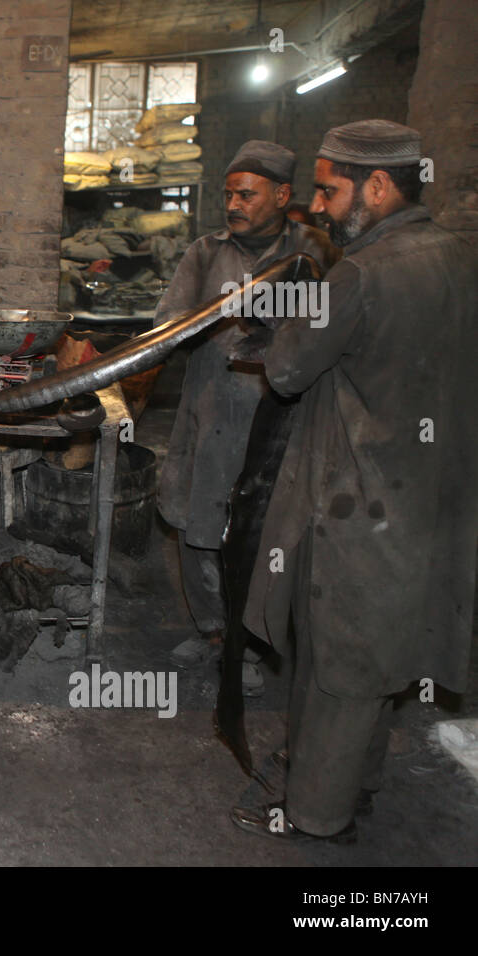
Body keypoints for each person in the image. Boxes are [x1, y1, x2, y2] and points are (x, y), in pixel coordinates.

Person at [233, 120, 478, 842]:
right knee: (383, 647)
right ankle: (359, 779)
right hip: (437, 501)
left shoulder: (361, 274)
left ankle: (316, 816)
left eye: (328, 189)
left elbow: (287, 370)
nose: (319, 206)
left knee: (339, 661)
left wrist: (284, 326)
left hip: (360, 498)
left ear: (378, 185)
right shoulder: (463, 258)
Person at [156, 141, 337, 691]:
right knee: (198, 525)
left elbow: (335, 324)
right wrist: (213, 319)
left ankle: (252, 647)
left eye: (246, 194)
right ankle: (211, 629)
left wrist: (280, 332)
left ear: (282, 195)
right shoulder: (206, 253)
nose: (233, 203)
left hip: (279, 418)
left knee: (263, 532)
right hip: (210, 409)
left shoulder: (315, 252)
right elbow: (168, 321)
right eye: (229, 193)